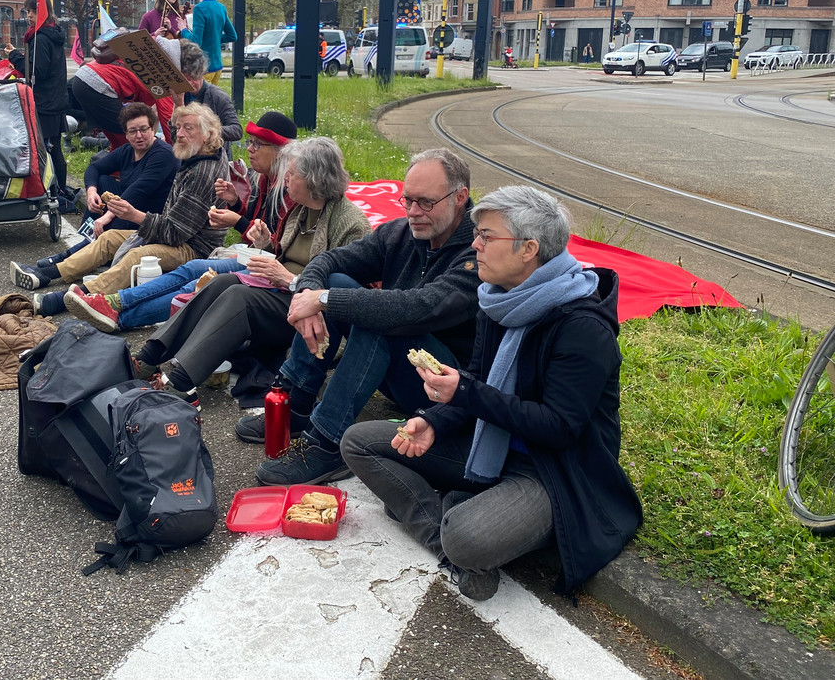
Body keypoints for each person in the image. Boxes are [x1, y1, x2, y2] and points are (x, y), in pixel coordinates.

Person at [341, 186, 643, 602]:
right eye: (476, 233)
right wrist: (433, 420)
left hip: (551, 470)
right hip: (491, 442)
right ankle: (445, 526)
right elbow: (482, 379)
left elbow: (558, 428)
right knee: (358, 442)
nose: (475, 245)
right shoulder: (499, 299)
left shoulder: (581, 326)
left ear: (528, 249)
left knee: (467, 537)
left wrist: (463, 391)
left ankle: (459, 528)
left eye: (485, 236)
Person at [244, 148, 481, 487]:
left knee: (379, 318)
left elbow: (420, 307)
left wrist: (323, 300)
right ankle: (296, 402)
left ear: (460, 197)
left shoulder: (478, 252)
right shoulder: (400, 232)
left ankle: (327, 441)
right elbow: (329, 262)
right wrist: (311, 292)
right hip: (404, 369)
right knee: (339, 284)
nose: (414, 212)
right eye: (407, 200)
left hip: (445, 394)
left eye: (425, 202)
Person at [101, 137, 370, 409]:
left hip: (307, 310)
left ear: (314, 178)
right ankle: (148, 357)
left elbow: (342, 293)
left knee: (239, 295)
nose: (285, 178)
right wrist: (266, 244)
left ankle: (180, 381)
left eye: (292, 173)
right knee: (221, 282)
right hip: (281, 293)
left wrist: (289, 279)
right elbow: (286, 255)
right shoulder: (300, 209)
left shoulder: (350, 225)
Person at [65, 111, 298, 331]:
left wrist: (236, 220)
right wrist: (236, 202)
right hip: (243, 254)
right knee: (111, 238)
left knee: (189, 273)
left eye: (257, 144)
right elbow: (259, 226)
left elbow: (273, 245)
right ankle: (57, 279)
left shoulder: (288, 187)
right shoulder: (263, 178)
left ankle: (113, 307)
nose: (249, 149)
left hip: (210, 250)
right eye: (177, 128)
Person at [17, 103, 226, 303]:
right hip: (171, 230)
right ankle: (48, 273)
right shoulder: (201, 153)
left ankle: (75, 296)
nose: (179, 134)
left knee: (139, 255)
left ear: (208, 134)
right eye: (178, 127)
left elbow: (174, 233)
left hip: (193, 247)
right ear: (125, 134)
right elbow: (96, 169)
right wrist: (92, 193)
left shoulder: (196, 172)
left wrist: (130, 214)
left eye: (187, 128)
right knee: (109, 237)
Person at [70, 28, 175, 150]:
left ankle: (110, 168)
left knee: (119, 143)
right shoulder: (166, 76)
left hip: (83, 79)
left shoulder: (144, 49)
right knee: (133, 143)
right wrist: (175, 150)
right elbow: (167, 117)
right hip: (98, 86)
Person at [23, 0, 70, 198]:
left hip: (45, 102)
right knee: (54, 148)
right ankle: (59, 188)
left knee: (50, 149)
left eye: (31, 12)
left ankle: (55, 189)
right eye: (27, 12)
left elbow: (37, 72)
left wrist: (15, 57)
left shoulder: (41, 38)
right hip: (55, 100)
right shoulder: (53, 34)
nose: (28, 16)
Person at [177, 39, 242, 145]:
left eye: (194, 77)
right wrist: (178, 105)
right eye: (186, 79)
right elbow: (173, 135)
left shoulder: (218, 97)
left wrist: (206, 130)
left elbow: (236, 130)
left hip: (212, 154)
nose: (190, 83)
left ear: (202, 73)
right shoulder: (180, 94)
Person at [183, 0, 236, 84]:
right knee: (211, 100)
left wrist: (183, 30)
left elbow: (196, 41)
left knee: (198, 102)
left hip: (204, 67)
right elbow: (232, 36)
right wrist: (214, 38)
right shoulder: (221, 8)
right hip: (218, 67)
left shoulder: (199, 9)